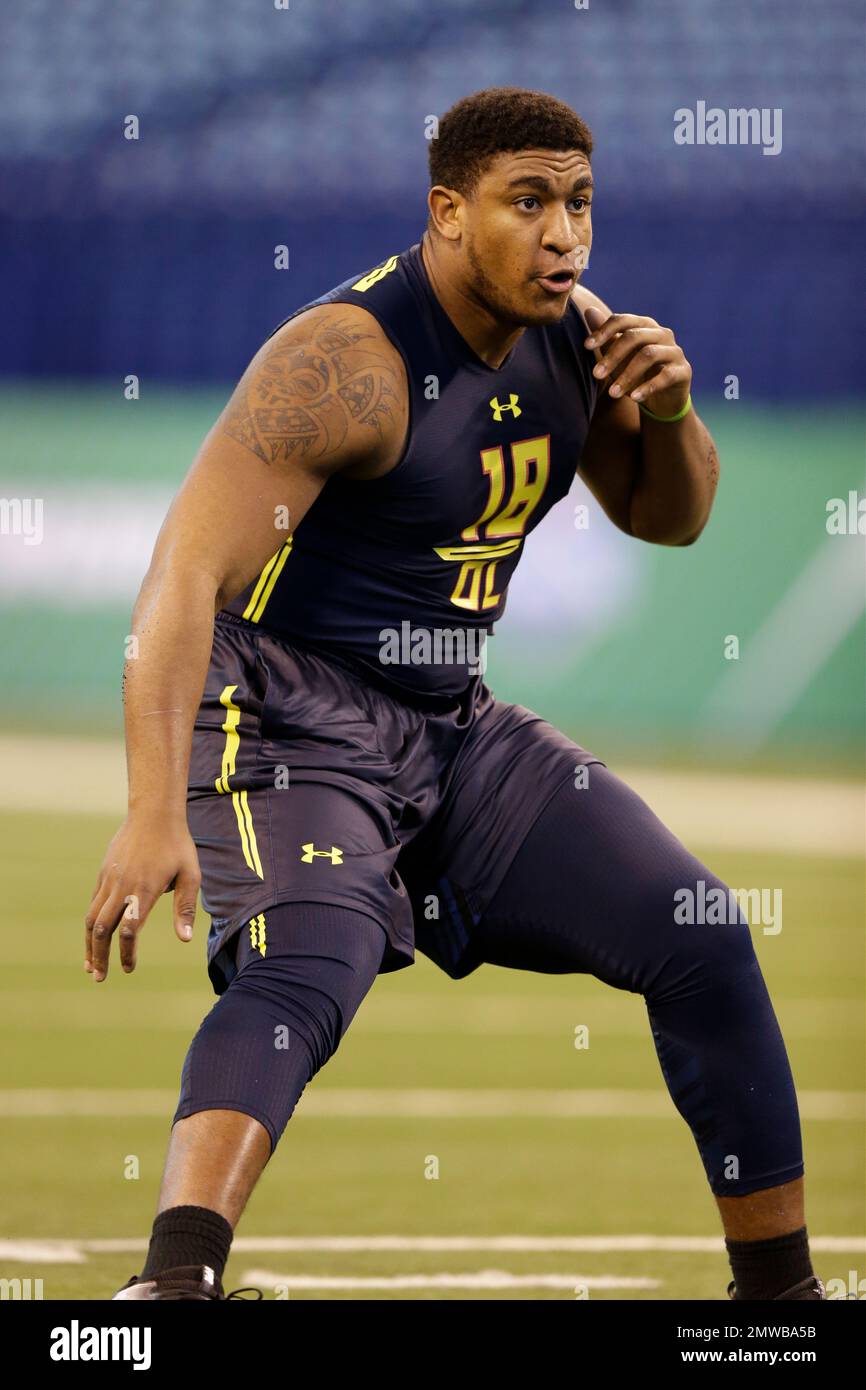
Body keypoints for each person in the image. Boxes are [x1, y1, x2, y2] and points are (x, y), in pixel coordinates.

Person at [85, 87, 823, 1302]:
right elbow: (181, 579)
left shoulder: (572, 335)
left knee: (701, 931)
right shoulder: (341, 362)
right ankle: (172, 1288)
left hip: (452, 721)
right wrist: (152, 807)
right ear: (446, 213)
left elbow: (666, 519)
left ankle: (779, 1307)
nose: (563, 235)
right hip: (284, 715)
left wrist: (676, 414)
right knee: (304, 967)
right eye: (526, 202)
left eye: (578, 203)